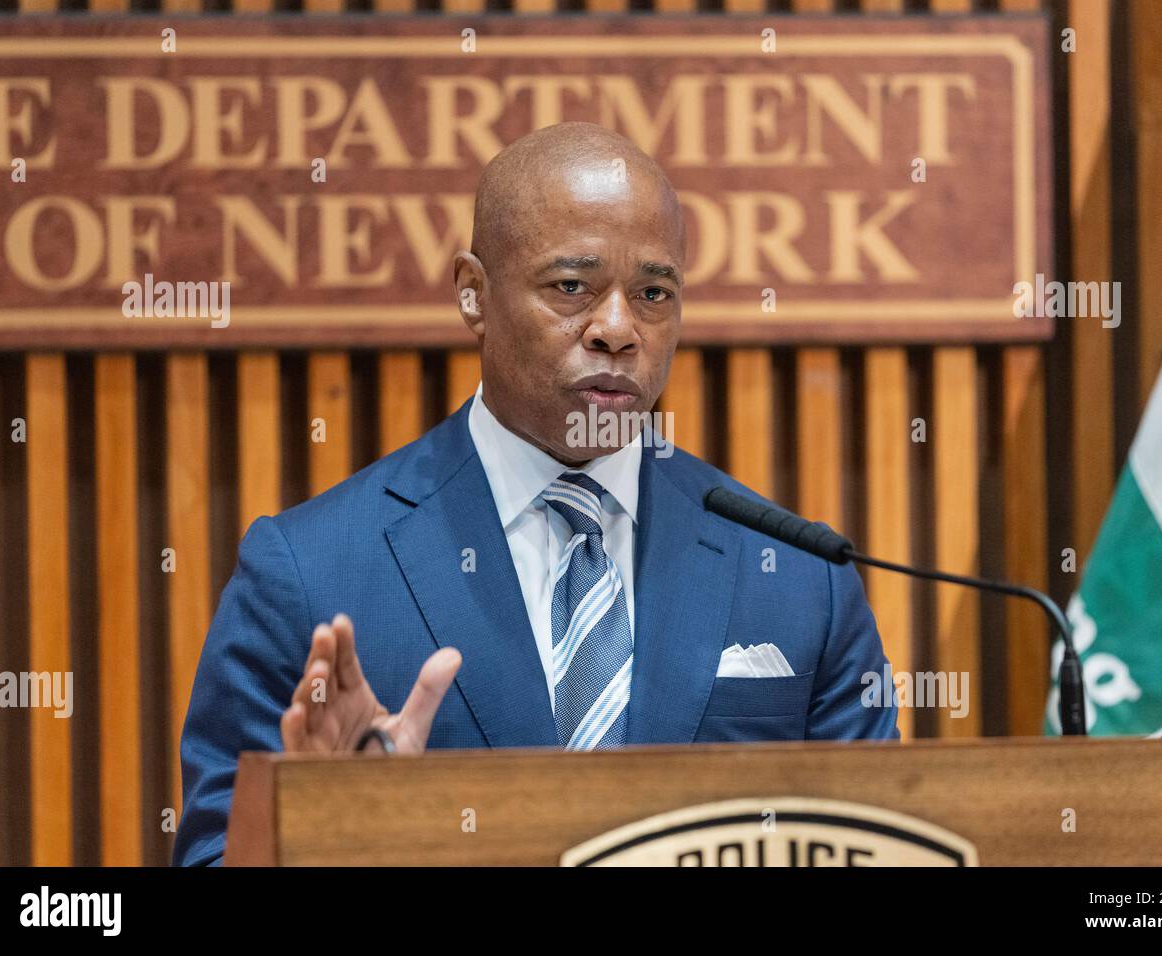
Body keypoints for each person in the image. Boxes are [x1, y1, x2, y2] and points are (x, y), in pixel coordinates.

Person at [173, 122, 898, 867]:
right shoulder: (306, 575)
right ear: (474, 296)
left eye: (653, 292)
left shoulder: (799, 578)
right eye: (571, 287)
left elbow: (881, 845)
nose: (617, 329)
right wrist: (326, 833)